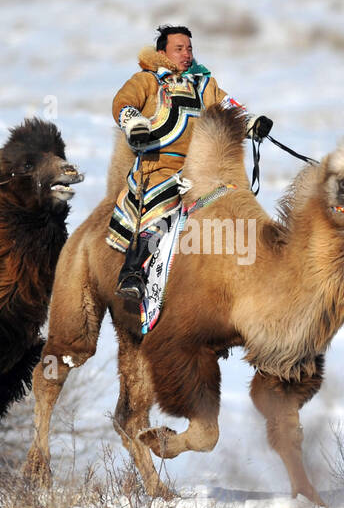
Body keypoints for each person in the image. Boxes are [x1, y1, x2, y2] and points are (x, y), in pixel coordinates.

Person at [109, 24, 271, 301]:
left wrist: (251, 123)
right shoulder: (147, 81)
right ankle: (132, 271)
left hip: (199, 169)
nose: (186, 54)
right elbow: (123, 102)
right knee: (162, 206)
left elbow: (227, 109)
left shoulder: (203, 84)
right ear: (162, 52)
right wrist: (134, 122)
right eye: (179, 49)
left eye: (189, 48)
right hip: (158, 168)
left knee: (234, 203)